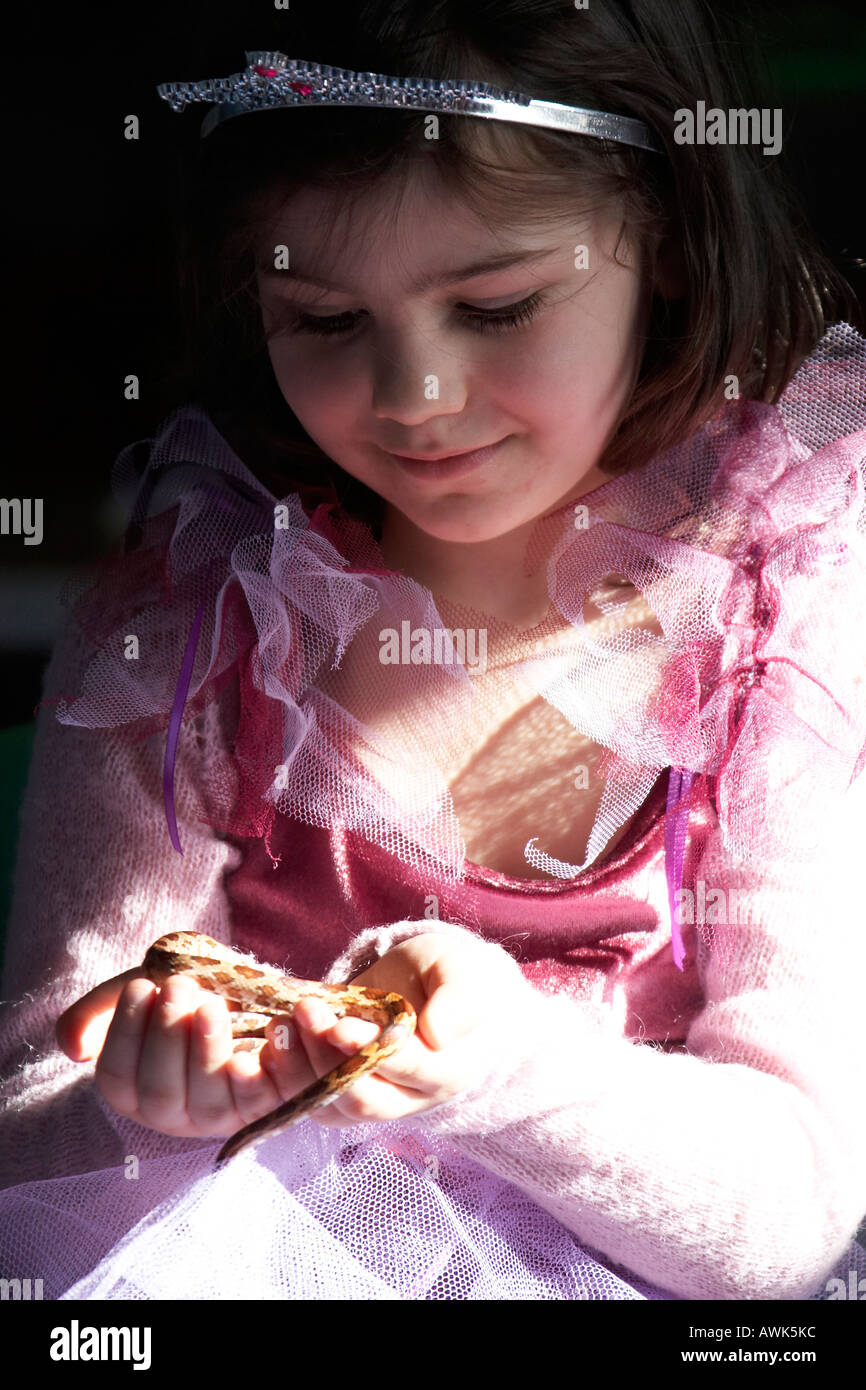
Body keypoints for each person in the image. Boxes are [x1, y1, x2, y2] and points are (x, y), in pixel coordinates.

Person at [1, 0, 864, 1301]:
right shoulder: (181, 628)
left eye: (498, 304)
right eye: (325, 321)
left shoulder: (783, 613)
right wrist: (143, 1114)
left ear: (669, 242)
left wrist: (500, 1069)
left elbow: (786, 1219)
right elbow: (23, 1194)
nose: (413, 398)